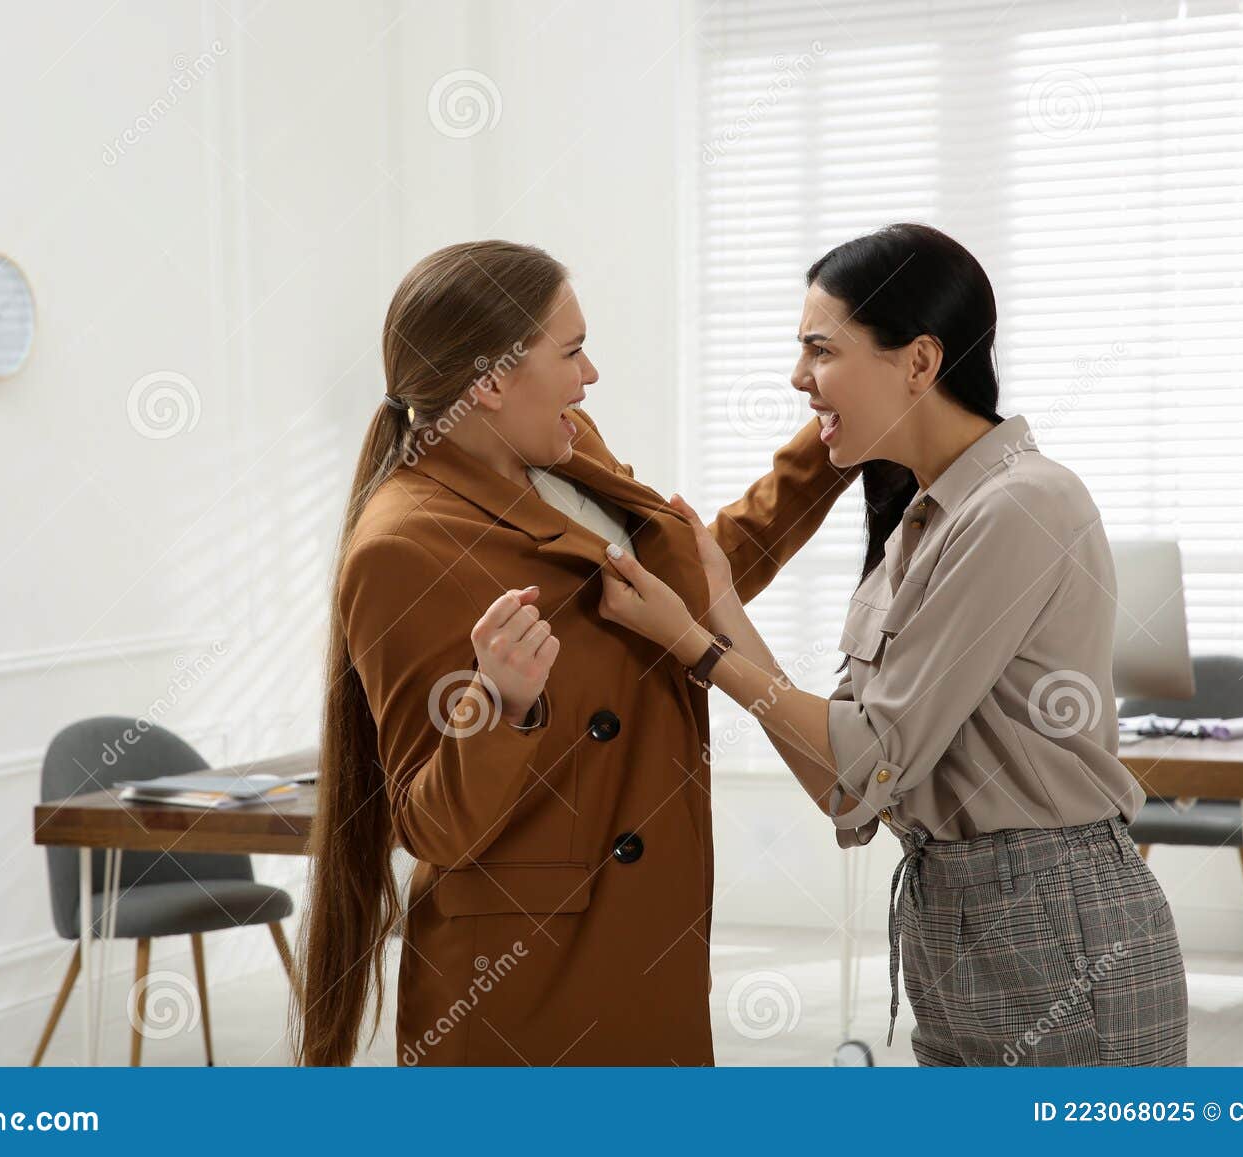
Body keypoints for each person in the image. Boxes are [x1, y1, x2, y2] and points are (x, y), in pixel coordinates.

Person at [597, 223, 1190, 1066]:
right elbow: (848, 783)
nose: (800, 379)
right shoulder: (916, 522)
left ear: (918, 360)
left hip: (1058, 923)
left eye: (820, 350)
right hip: (947, 918)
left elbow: (868, 753)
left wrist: (696, 645)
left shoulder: (1024, 505)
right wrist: (721, 601)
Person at [296, 239, 856, 1065]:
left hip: (644, 930)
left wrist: (836, 441)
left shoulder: (565, 447)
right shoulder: (403, 543)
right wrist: (500, 705)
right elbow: (426, 822)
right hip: (529, 983)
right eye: (571, 352)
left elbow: (690, 579)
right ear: (488, 382)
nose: (589, 375)